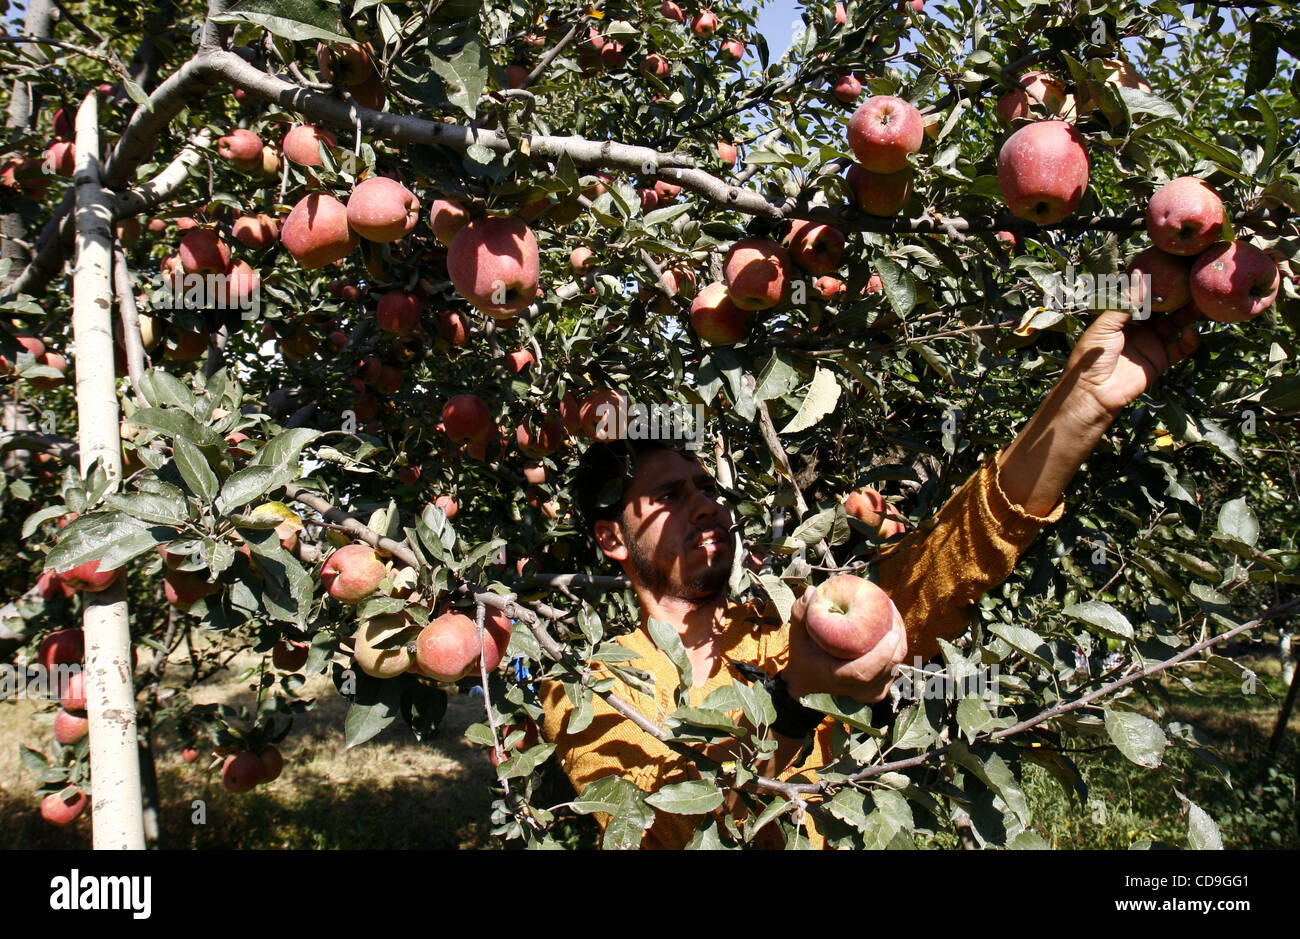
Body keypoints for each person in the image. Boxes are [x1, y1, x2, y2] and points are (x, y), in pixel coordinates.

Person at [538, 307, 1201, 848]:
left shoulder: (780, 626)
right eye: (669, 496)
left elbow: (948, 563)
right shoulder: (588, 686)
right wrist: (795, 702)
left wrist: (1078, 403)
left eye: (706, 487)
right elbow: (678, 833)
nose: (705, 503)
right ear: (610, 539)